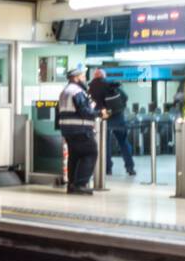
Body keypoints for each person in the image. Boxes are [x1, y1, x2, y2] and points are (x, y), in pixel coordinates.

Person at [57, 64, 103, 194]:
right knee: (90, 153)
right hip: (81, 129)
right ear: (76, 78)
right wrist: (99, 113)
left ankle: (71, 185)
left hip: (68, 130)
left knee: (75, 157)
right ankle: (80, 184)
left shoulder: (65, 91)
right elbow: (85, 111)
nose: (84, 78)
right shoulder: (77, 91)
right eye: (82, 76)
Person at [88, 68, 135, 176]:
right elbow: (125, 97)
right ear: (104, 75)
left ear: (95, 76)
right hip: (118, 116)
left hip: (103, 117)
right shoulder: (111, 83)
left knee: (105, 144)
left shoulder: (91, 86)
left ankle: (107, 168)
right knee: (123, 142)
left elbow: (91, 103)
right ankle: (130, 167)